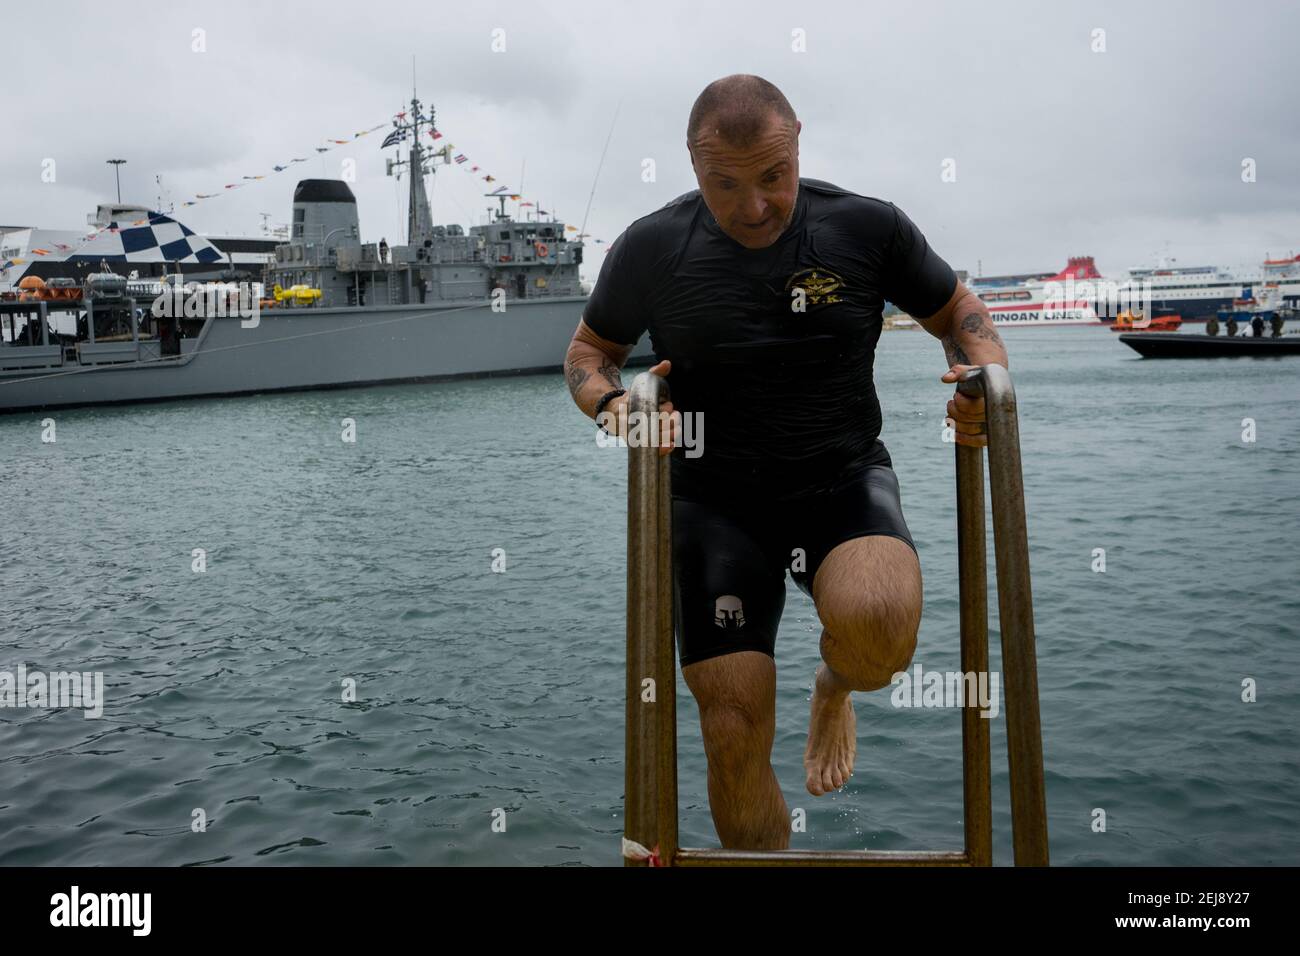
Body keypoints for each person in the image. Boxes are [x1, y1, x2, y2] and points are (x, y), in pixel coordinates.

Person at [563, 74, 1007, 850]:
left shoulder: (865, 228)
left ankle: (834, 684)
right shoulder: (652, 246)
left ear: (798, 142)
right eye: (725, 185)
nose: (755, 206)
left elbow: (960, 314)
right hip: (712, 503)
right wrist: (613, 406)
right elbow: (588, 354)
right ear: (693, 165)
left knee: (879, 630)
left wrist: (981, 381)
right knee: (732, 734)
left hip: (839, 482)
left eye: (774, 176)